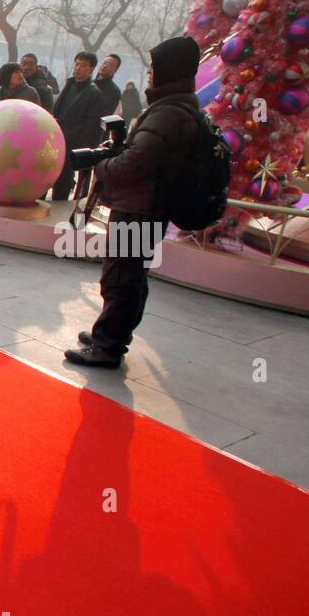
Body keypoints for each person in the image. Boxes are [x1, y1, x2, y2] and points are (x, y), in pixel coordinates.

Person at [65, 37, 202, 369]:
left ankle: (108, 346)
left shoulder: (167, 114)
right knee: (130, 275)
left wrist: (103, 164)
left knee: (122, 276)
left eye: (154, 67)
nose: (150, 74)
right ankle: (112, 332)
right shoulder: (178, 106)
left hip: (140, 209)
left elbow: (132, 166)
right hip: (148, 207)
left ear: (168, 70)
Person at [51, 51, 106, 201]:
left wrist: (77, 144)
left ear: (91, 69)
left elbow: (91, 124)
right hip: (57, 139)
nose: (78, 68)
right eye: (77, 64)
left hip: (72, 143)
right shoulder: (69, 84)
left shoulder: (94, 93)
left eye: (83, 66)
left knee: (63, 180)